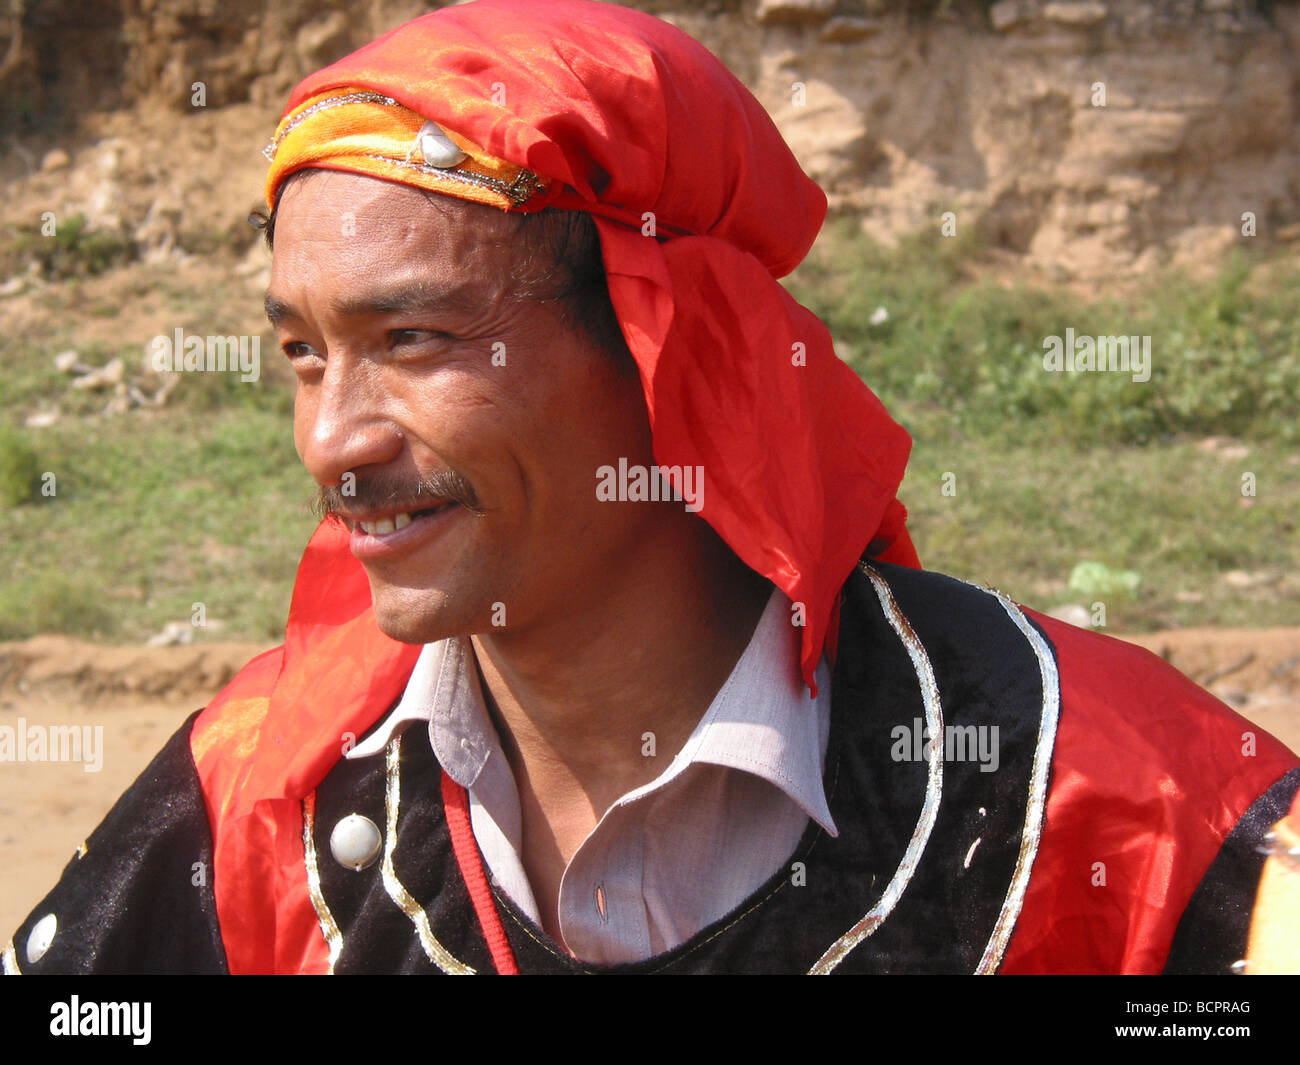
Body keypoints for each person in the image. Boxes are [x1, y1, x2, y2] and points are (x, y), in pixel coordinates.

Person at [5, 0, 1297, 975]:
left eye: (416, 341)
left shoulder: (1118, 803)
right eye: (302, 352)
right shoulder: (263, 797)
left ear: (666, 350)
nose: (332, 441)